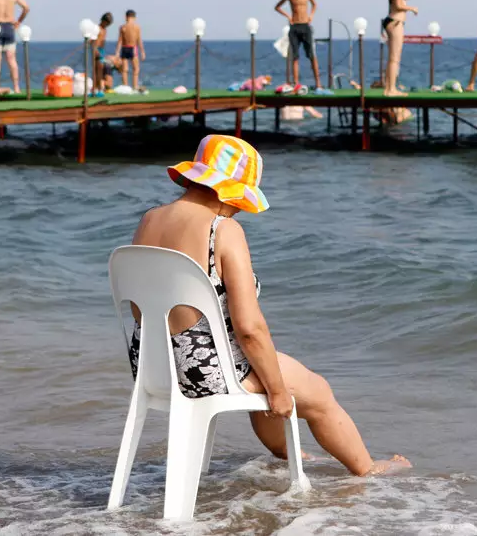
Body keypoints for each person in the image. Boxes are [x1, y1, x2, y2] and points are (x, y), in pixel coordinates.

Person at [126, 134, 411, 477]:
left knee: (266, 367)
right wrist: (277, 392)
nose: (236, 210)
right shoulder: (223, 230)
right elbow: (250, 328)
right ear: (226, 191)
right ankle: (366, 468)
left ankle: (287, 453)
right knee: (315, 391)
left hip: (152, 364)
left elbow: (140, 305)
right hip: (206, 372)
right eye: (238, 202)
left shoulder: (150, 219)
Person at [274, 0, 323, 91]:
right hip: (294, 27)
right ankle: (296, 83)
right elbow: (277, 7)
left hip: (305, 26)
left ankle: (318, 83)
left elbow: (314, 5)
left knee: (312, 55)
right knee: (295, 57)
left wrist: (311, 15)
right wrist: (288, 16)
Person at [381, 0, 419, 96]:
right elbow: (398, 5)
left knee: (393, 57)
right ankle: (391, 90)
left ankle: (389, 88)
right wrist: (412, 8)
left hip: (392, 20)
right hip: (396, 22)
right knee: (395, 58)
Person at [116, 10, 146, 90]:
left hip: (124, 48)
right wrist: (142, 52)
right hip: (133, 48)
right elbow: (139, 40)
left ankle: (125, 86)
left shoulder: (123, 27)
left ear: (126, 17)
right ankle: (135, 86)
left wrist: (117, 52)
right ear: (134, 17)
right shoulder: (137, 27)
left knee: (125, 69)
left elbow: (120, 41)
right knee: (136, 69)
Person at [95, 13, 122, 92]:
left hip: (102, 50)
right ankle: (98, 88)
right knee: (98, 70)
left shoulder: (105, 30)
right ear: (103, 20)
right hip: (96, 50)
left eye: (109, 24)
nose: (107, 25)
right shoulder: (97, 28)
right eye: (107, 23)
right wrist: (95, 50)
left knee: (102, 69)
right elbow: (92, 41)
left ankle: (100, 87)